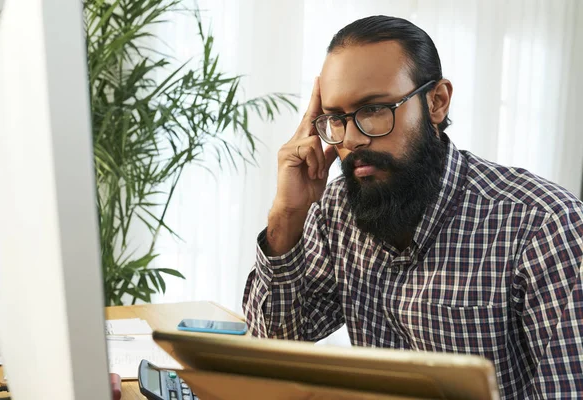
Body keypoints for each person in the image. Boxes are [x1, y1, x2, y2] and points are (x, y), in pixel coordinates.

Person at [242, 15, 583, 399]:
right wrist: (287, 216)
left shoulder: (543, 225)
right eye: (337, 118)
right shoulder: (336, 209)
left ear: (436, 102)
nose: (351, 140)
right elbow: (272, 350)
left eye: (373, 110)